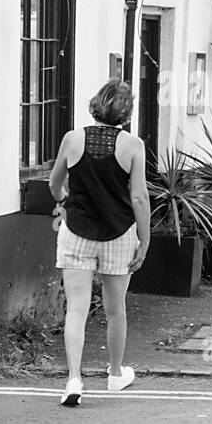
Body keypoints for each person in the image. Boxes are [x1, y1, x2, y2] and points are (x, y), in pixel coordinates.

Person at [48, 81, 151, 407]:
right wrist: (145, 239)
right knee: (115, 309)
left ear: (96, 104)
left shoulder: (73, 139)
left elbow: (54, 183)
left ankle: (74, 379)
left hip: (76, 231)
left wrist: (66, 203)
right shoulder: (133, 145)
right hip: (119, 234)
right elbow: (138, 196)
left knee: (76, 309)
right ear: (126, 111)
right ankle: (116, 374)